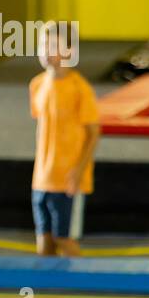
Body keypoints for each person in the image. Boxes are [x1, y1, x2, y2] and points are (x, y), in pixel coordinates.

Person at [29, 25, 99, 256]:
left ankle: (83, 286)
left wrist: (78, 171)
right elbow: (43, 128)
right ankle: (45, 290)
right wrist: (40, 168)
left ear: (69, 50)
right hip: (42, 178)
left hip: (67, 179)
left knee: (64, 239)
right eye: (43, 46)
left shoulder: (80, 89)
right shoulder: (37, 85)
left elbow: (93, 133)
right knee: (44, 241)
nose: (47, 52)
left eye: (54, 46)